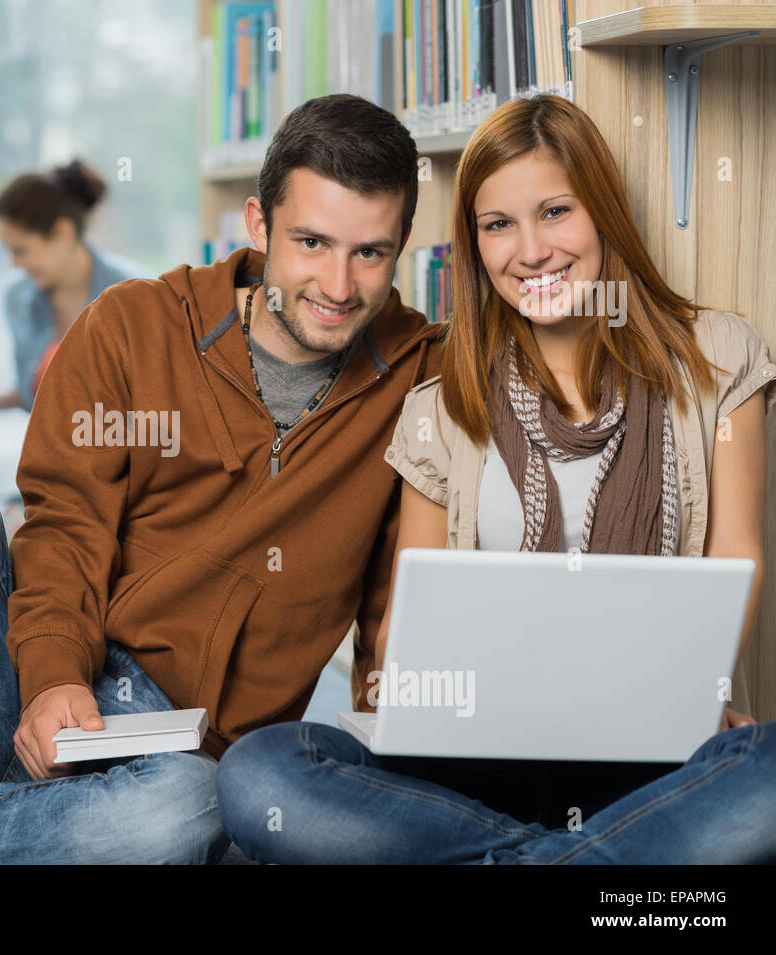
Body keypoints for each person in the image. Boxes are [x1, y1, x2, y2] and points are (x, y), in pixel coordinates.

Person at [0, 93, 445, 865]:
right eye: (311, 242)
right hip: (28, 695)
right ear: (258, 226)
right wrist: (55, 672)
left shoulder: (419, 381)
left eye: (370, 253)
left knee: (190, 811)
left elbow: (399, 600)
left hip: (177, 765)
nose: (337, 283)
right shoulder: (132, 324)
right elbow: (63, 522)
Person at [216, 94, 776, 865]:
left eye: (555, 211)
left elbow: (737, 553)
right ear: (474, 244)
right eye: (498, 225)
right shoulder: (440, 404)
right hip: (472, 772)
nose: (532, 250)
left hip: (658, 759)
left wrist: (694, 694)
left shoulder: (716, 357)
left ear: (603, 211)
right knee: (263, 772)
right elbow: (418, 620)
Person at [0, 159, 143, 416]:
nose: (14, 264)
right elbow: (33, 395)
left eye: (21, 250)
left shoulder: (135, 294)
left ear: (63, 232)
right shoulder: (17, 296)